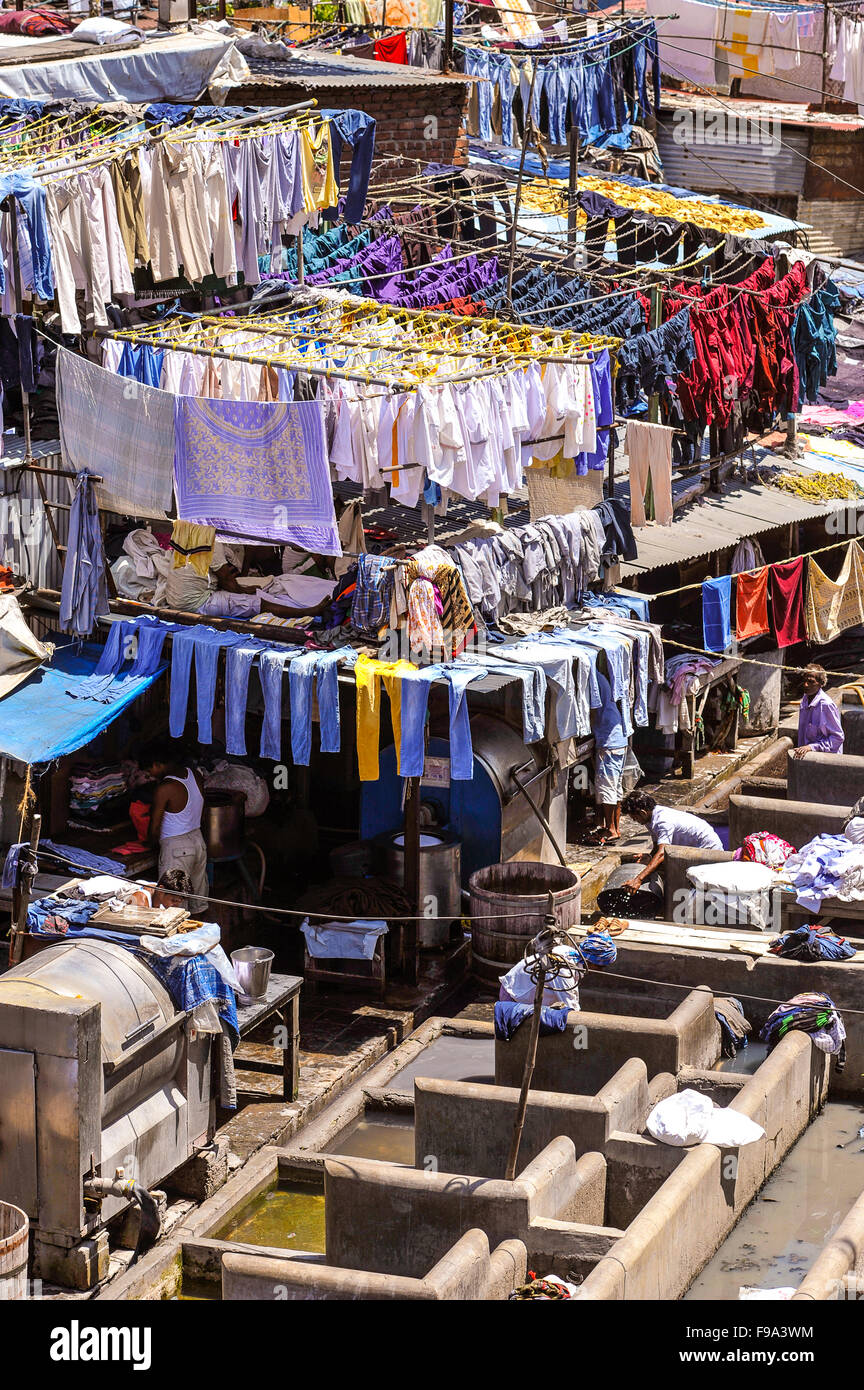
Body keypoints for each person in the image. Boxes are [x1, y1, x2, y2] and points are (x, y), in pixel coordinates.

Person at [142, 739, 208, 906]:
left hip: (176, 848)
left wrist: (150, 844)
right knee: (198, 902)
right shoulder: (195, 774)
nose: (149, 774)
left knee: (172, 906)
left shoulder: (165, 787)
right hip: (198, 841)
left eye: (149, 769)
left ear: (157, 764)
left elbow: (155, 826)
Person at [621, 790, 722, 892]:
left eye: (634, 818)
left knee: (692, 886)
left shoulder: (662, 821)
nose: (635, 821)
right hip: (692, 848)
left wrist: (638, 879)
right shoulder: (649, 818)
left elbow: (662, 854)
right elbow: (657, 847)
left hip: (709, 851)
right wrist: (649, 857)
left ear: (642, 813)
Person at [588, 670, 628, 844]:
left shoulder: (592, 679)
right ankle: (615, 829)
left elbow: (590, 709)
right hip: (618, 738)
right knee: (615, 788)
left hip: (609, 741)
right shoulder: (600, 676)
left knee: (607, 789)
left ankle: (611, 829)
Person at [793, 664, 844, 758]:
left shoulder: (826, 705)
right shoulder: (805, 699)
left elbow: (837, 738)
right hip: (808, 756)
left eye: (811, 682)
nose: (805, 684)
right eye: (804, 680)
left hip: (827, 759)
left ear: (820, 683)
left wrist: (811, 747)